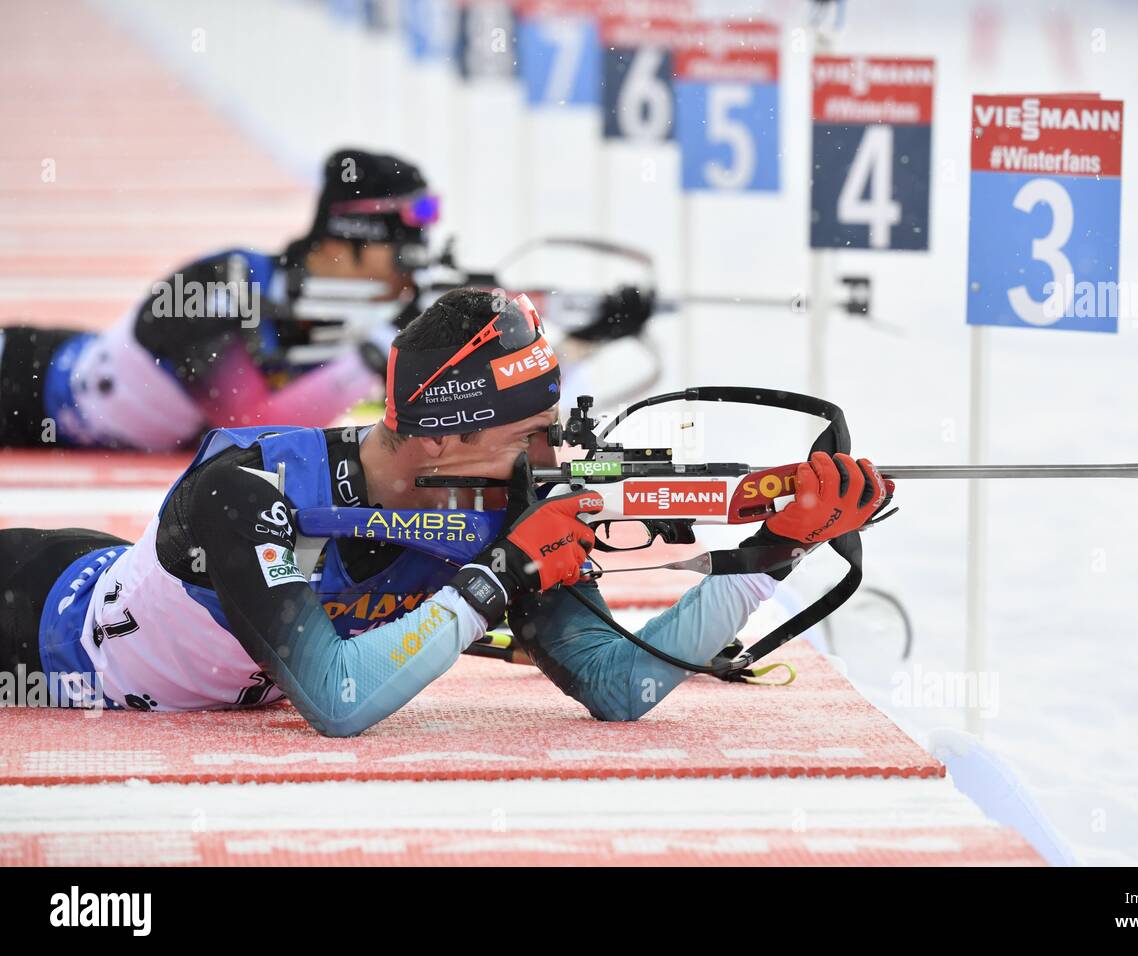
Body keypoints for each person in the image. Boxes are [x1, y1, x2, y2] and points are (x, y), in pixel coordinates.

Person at [0, 288, 892, 735]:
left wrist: (769, 555)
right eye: (534, 432)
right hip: (35, 626)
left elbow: (621, 686)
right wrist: (501, 576)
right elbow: (340, 704)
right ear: (438, 442)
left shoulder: (494, 509)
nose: (556, 458)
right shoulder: (247, 488)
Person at [0, 148, 435, 451]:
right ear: (346, 242)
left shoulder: (342, 313)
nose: (407, 277)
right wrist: (375, 353)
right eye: (401, 258)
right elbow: (251, 430)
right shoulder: (225, 285)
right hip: (21, 385)